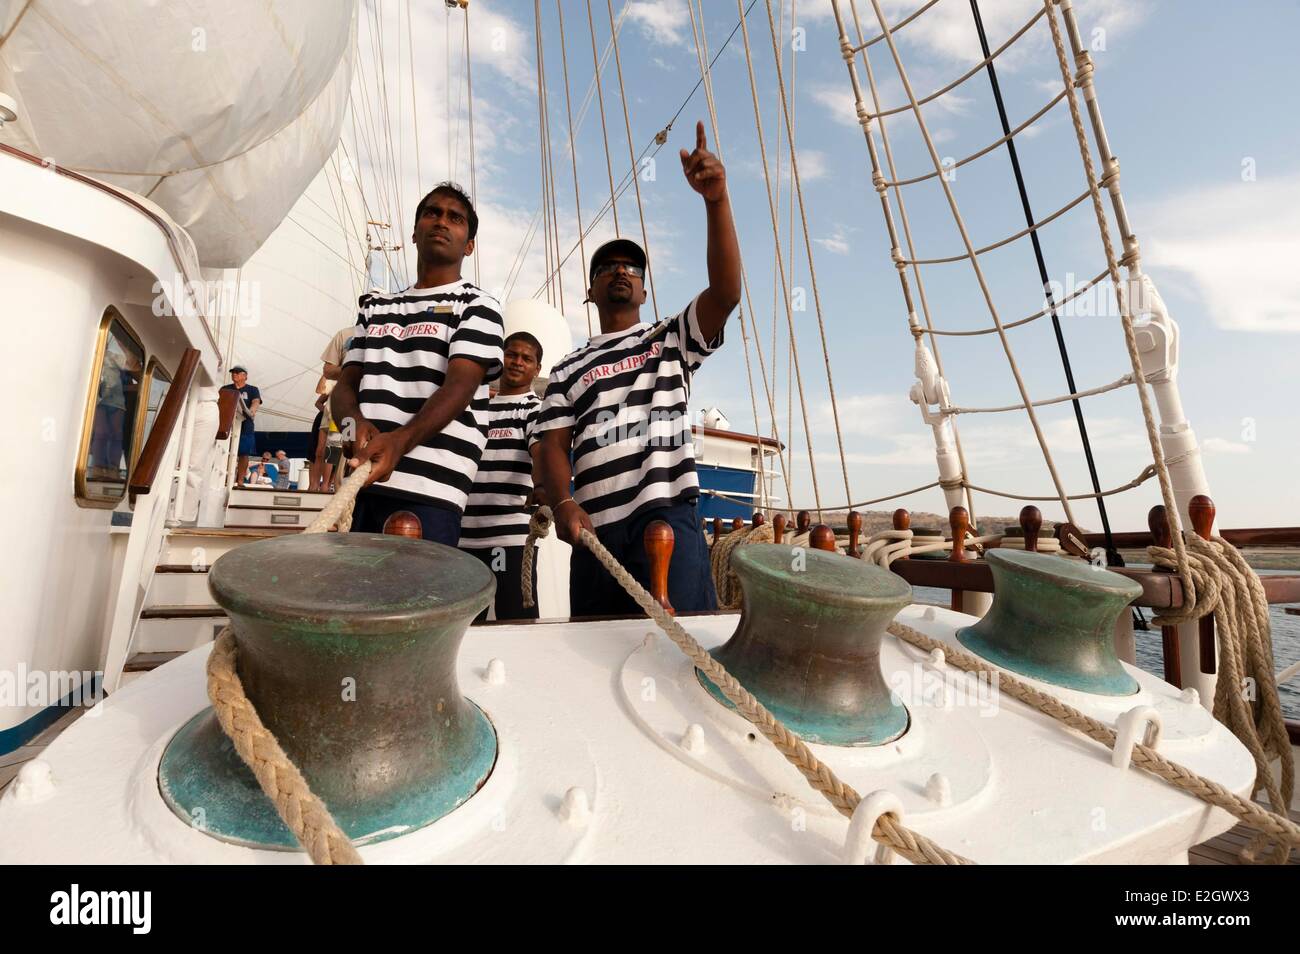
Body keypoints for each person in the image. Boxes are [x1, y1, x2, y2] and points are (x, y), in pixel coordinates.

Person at [535, 122, 740, 616]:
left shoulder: (670, 338)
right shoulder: (566, 370)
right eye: (607, 268)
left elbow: (726, 293)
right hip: (595, 533)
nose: (621, 271)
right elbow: (551, 446)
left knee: (687, 655)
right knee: (599, 659)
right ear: (591, 290)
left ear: (645, 291)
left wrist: (716, 201)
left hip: (668, 518)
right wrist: (563, 503)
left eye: (631, 268)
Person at [331, 182, 504, 545]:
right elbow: (346, 386)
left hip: (431, 492)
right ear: (413, 233)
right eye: (432, 213)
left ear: (469, 245)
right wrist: (352, 428)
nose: (442, 221)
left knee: (419, 601)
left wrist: (399, 443)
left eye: (455, 218)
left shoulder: (477, 306)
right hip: (363, 483)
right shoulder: (375, 306)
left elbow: (460, 386)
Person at [460, 332, 546, 621]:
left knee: (518, 622)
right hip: (463, 538)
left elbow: (541, 453)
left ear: (537, 368)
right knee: (465, 628)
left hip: (510, 538)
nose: (517, 362)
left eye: (526, 358)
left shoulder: (534, 410)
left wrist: (543, 484)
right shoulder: (476, 410)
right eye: (511, 354)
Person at [313, 325, 354, 491]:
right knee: (330, 449)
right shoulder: (344, 335)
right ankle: (323, 486)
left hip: (356, 409)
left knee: (348, 450)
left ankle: (337, 487)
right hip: (337, 409)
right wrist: (352, 368)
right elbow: (324, 379)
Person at [220, 365, 261, 484]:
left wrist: (252, 410)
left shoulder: (252, 389)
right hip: (228, 424)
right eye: (233, 373)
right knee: (226, 452)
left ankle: (240, 480)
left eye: (237, 373)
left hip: (246, 425)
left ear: (245, 376)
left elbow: (256, 401)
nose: (234, 374)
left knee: (244, 453)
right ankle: (225, 478)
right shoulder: (225, 388)